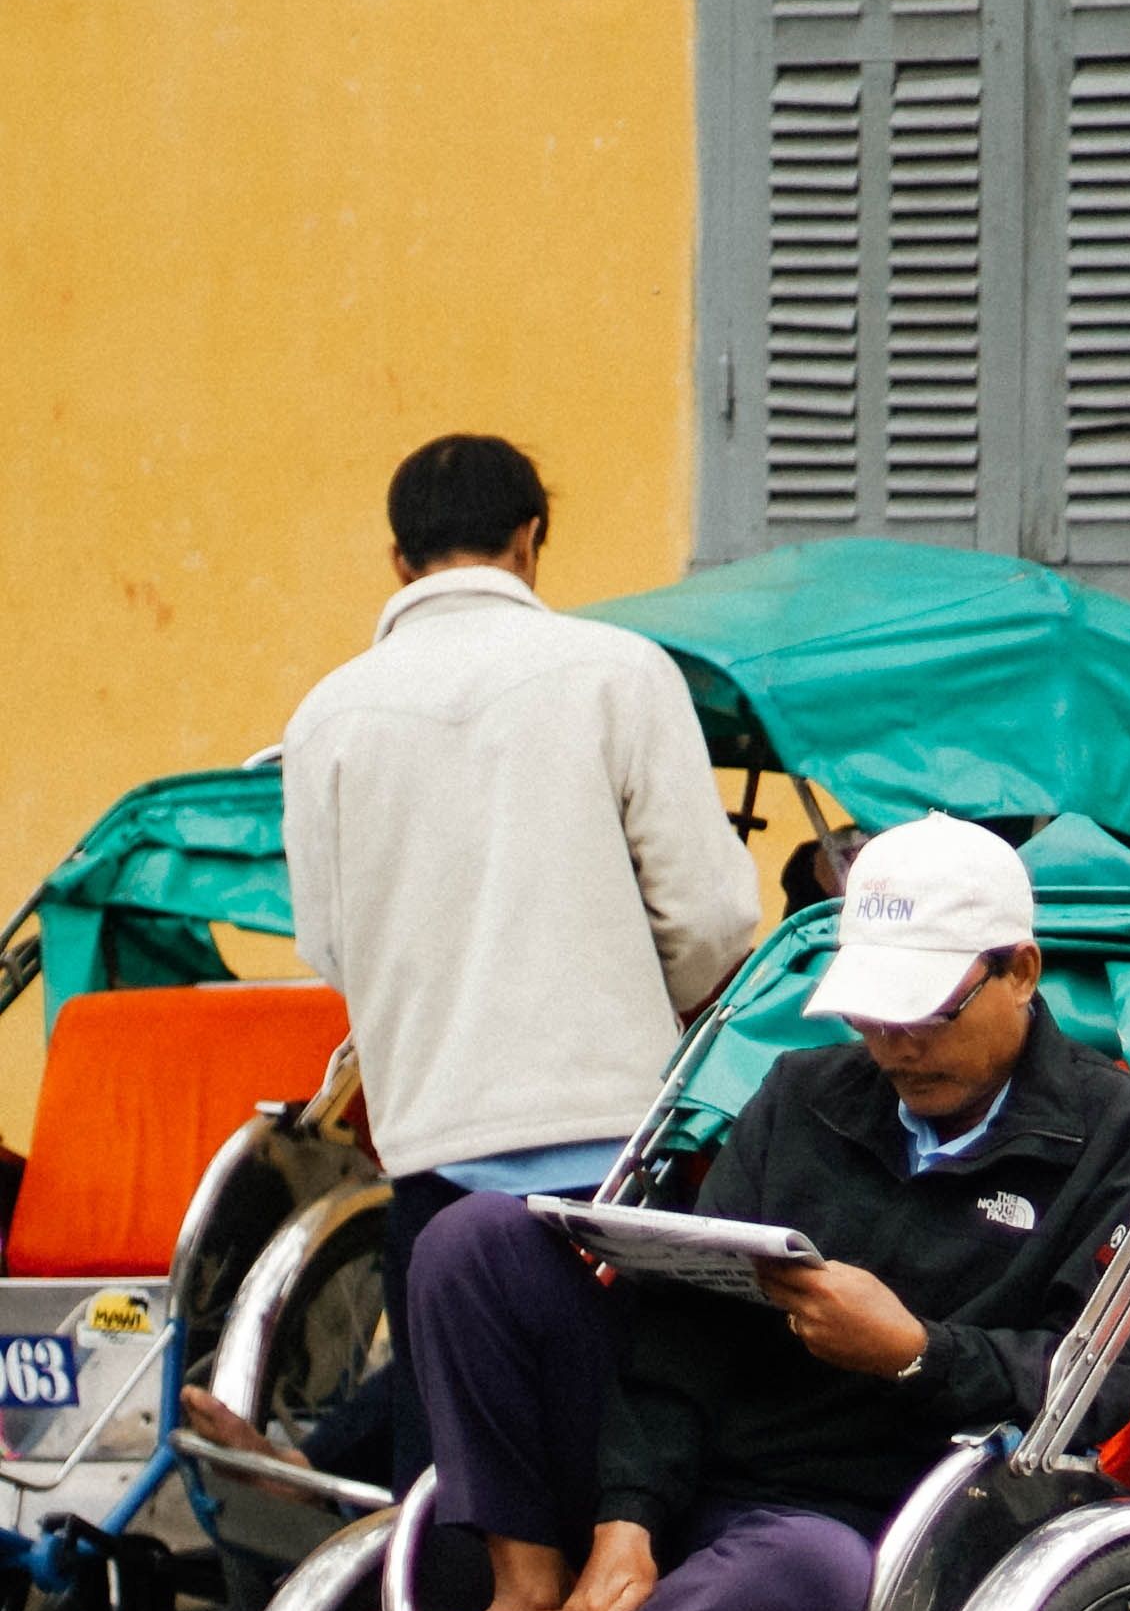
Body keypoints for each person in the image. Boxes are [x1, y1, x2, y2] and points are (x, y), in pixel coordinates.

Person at [366, 819, 1130, 1611]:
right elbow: (684, 1325)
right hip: (693, 1461)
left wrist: (913, 1352)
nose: (897, 1045)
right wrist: (624, 1521)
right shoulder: (802, 1094)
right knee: (476, 1239)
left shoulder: (1116, 1134)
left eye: (927, 1012)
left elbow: (1089, 1386)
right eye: (873, 1013)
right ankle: (529, 1600)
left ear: (1019, 971)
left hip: (870, 1522)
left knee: (801, 1577)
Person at [269, 437, 766, 1482]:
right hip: (619, 1165)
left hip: (435, 1167)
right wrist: (643, 1005)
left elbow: (328, 943)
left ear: (400, 561)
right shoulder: (619, 674)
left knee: (457, 1483)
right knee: (629, 1473)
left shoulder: (327, 717)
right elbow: (716, 918)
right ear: (531, 540)